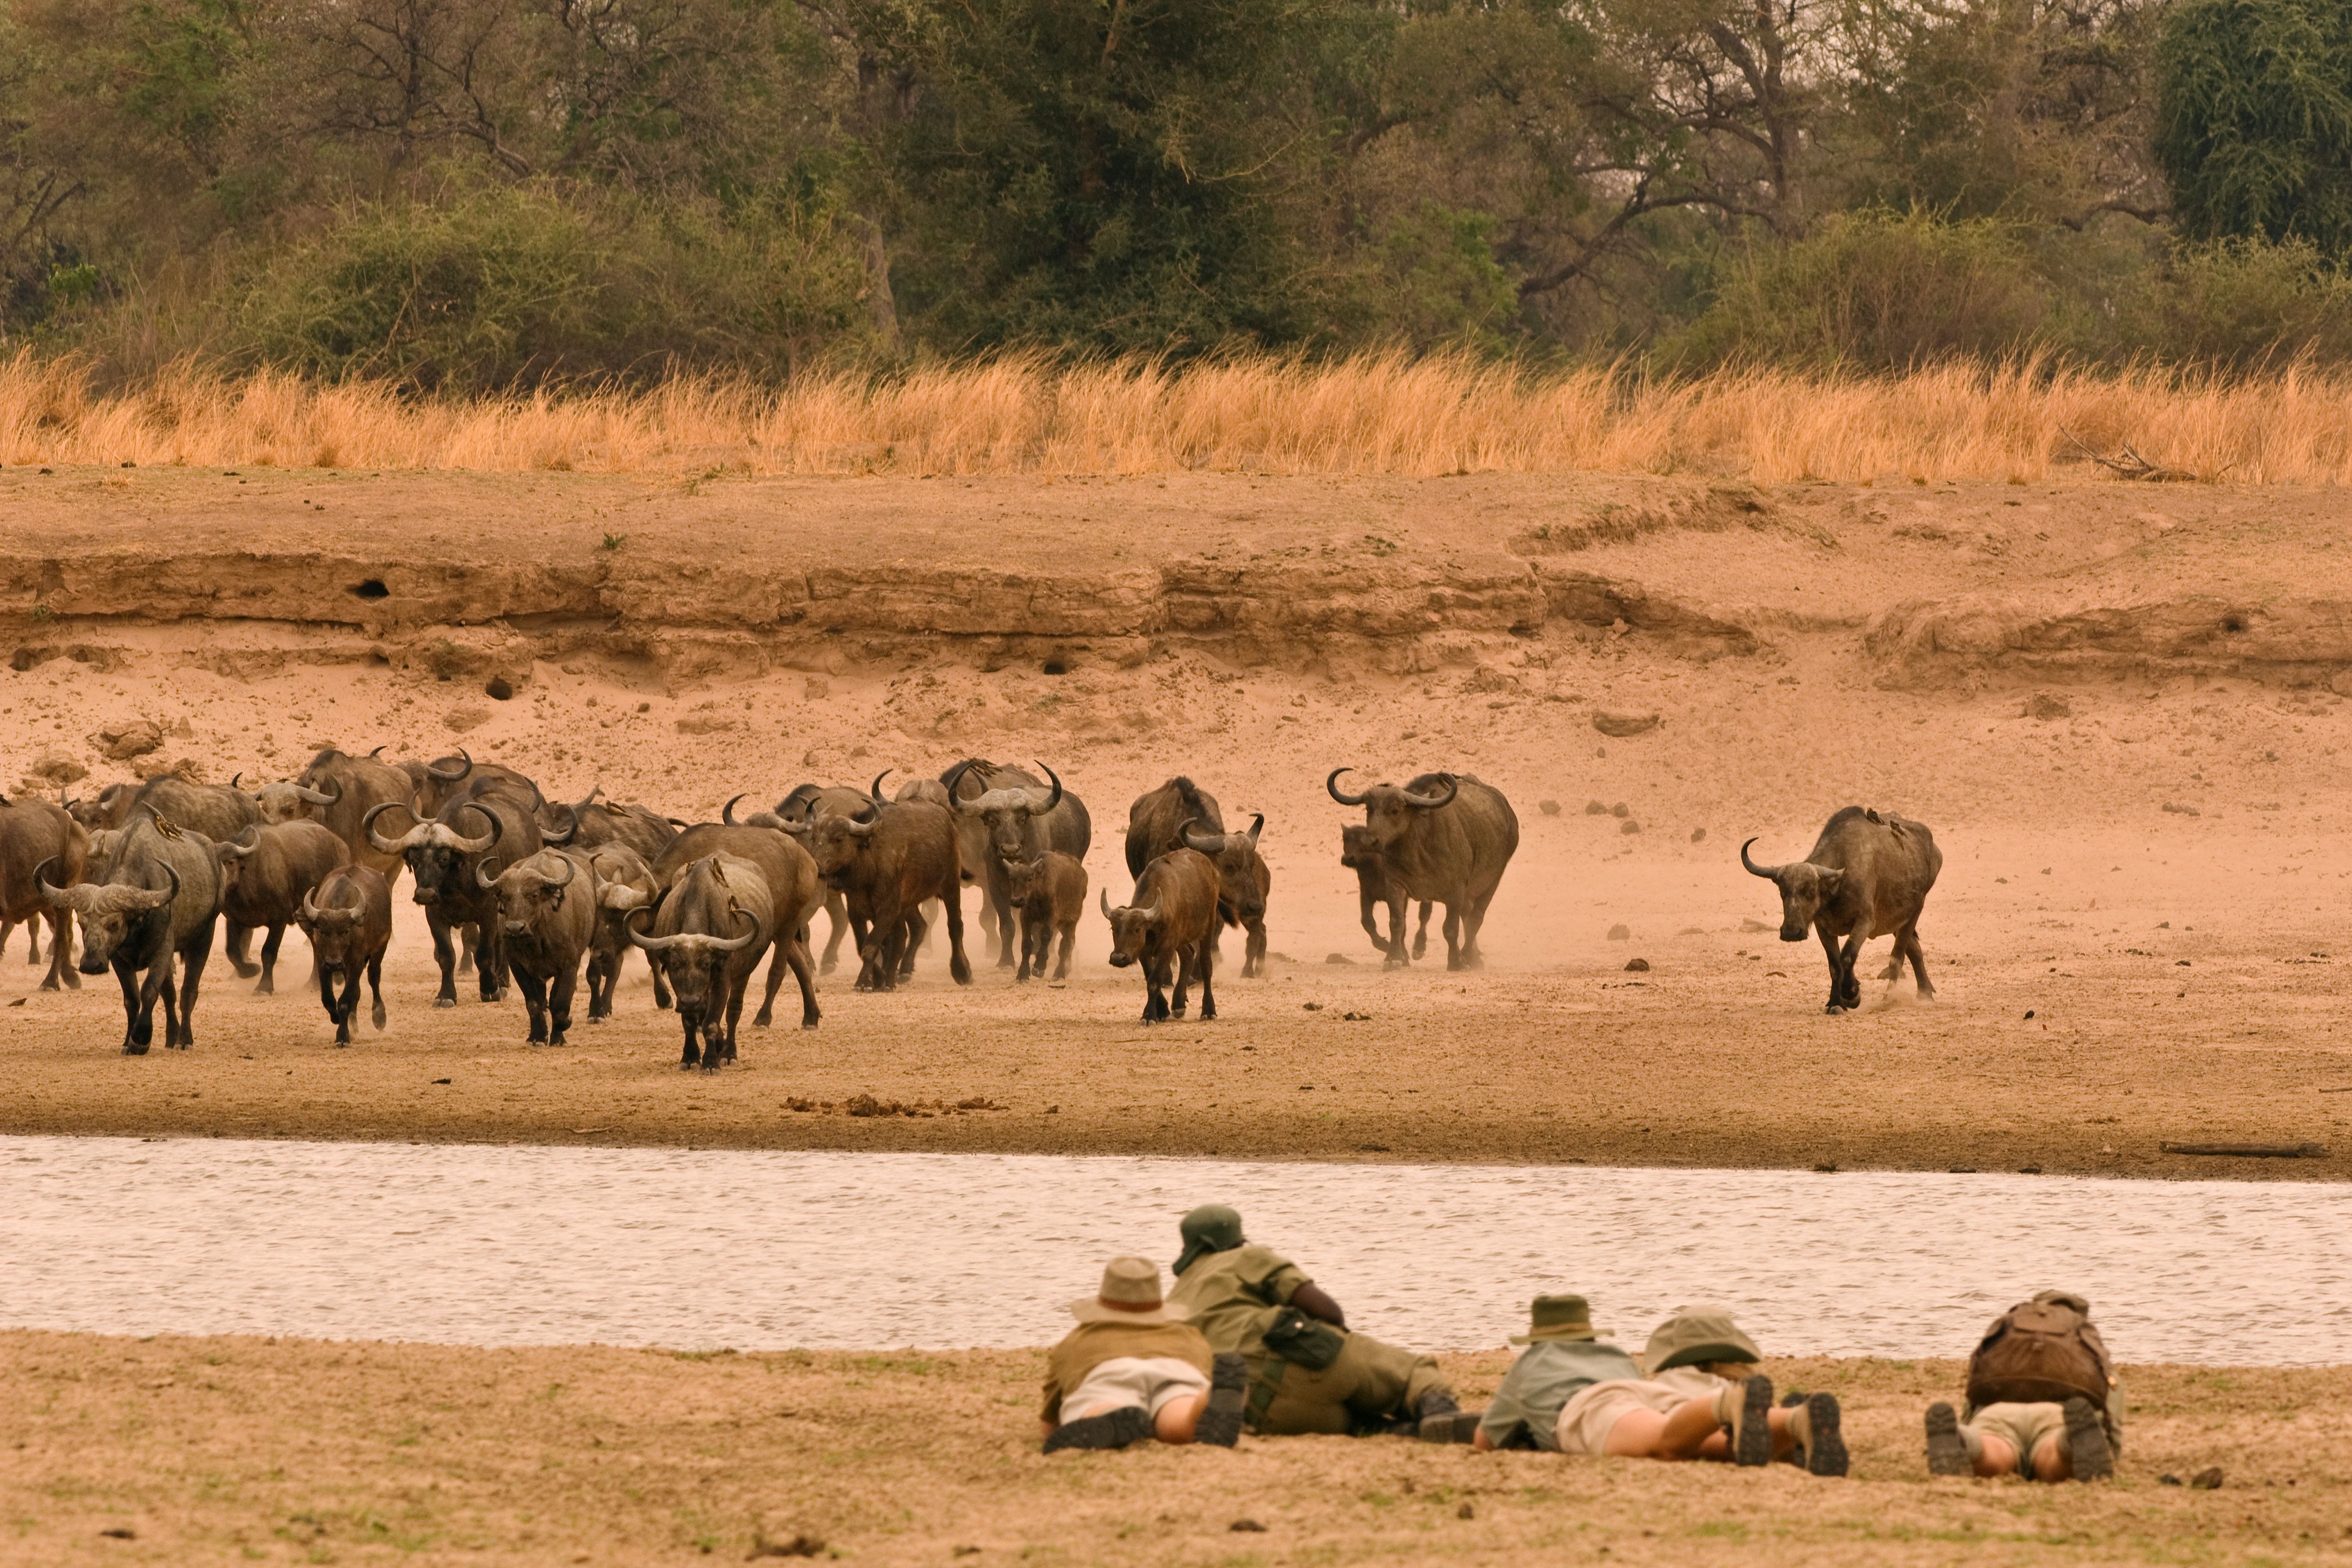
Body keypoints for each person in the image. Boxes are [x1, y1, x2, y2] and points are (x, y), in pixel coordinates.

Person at [1167, 1203, 1477, 1441]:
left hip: (1261, 1411)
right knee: (1411, 1373)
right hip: (1302, 1353)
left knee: (1352, 1423)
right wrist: (1346, 1350)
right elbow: (1328, 1312)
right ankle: (1438, 1412)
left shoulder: (1174, 1298)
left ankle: (1399, 1431)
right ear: (1236, 1238)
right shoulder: (1246, 1257)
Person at [1477, 1303, 1847, 1476]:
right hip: (1638, 1390)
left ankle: (1727, 1404)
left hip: (1589, 1408)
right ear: (1589, 1332)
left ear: (1536, 1337)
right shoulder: (1615, 1354)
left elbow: (1486, 1441)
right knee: (1704, 1444)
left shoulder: (1530, 1363)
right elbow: (1635, 1390)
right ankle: (1796, 1422)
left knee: (1665, 1445)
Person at [1039, 1255, 1248, 1453]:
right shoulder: (1188, 1335)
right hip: (1177, 1368)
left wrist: (1052, 1424)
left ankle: (1106, 1415)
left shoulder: (1080, 1339)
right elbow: (1203, 1367)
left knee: (1101, 1399)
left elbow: (1051, 1417)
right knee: (1181, 1403)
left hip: (1109, 1371)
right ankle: (1202, 1405)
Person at [1925, 1290, 2119, 1482]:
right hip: (2056, 1416)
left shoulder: (2008, 1336)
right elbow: (2110, 1410)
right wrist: (2111, 1448)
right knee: (2052, 1457)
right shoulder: (2087, 1349)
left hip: (1997, 1413)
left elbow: (1975, 1390)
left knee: (1993, 1452)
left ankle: (1964, 1440)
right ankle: (2070, 1441)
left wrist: (1969, 1423)